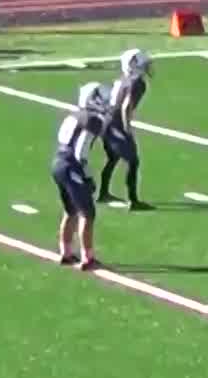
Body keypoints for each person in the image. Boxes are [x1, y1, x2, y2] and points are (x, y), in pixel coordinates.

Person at [53, 83, 111, 270]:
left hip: (58, 163)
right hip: (72, 166)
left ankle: (65, 252)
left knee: (70, 210)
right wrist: (86, 175)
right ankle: (88, 258)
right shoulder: (93, 120)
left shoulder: (73, 115)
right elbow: (81, 151)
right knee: (87, 212)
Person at [97, 49, 153, 210]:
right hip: (116, 123)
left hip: (107, 121)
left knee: (113, 158)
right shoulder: (137, 82)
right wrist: (126, 127)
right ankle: (133, 200)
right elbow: (126, 106)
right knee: (133, 162)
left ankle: (103, 193)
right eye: (144, 64)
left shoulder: (123, 79)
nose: (147, 67)